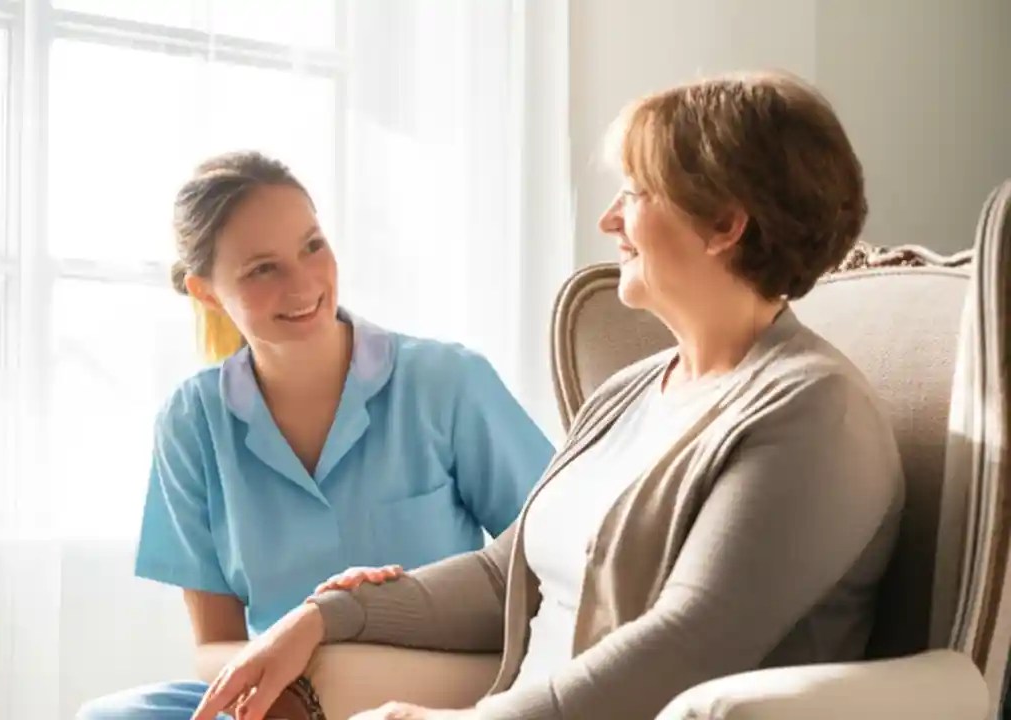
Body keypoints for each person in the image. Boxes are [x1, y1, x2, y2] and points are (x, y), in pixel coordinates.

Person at [191, 71, 905, 720]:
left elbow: (686, 646)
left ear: (724, 224)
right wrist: (322, 616)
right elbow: (504, 575)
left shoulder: (813, 414)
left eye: (636, 192)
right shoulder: (631, 391)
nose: (609, 219)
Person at [77, 151, 554, 719]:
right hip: (276, 696)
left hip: (433, 688)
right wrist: (285, 680)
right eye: (263, 269)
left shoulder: (447, 382)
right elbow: (213, 645)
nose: (303, 284)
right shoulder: (191, 421)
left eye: (312, 246)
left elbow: (559, 559)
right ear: (207, 292)